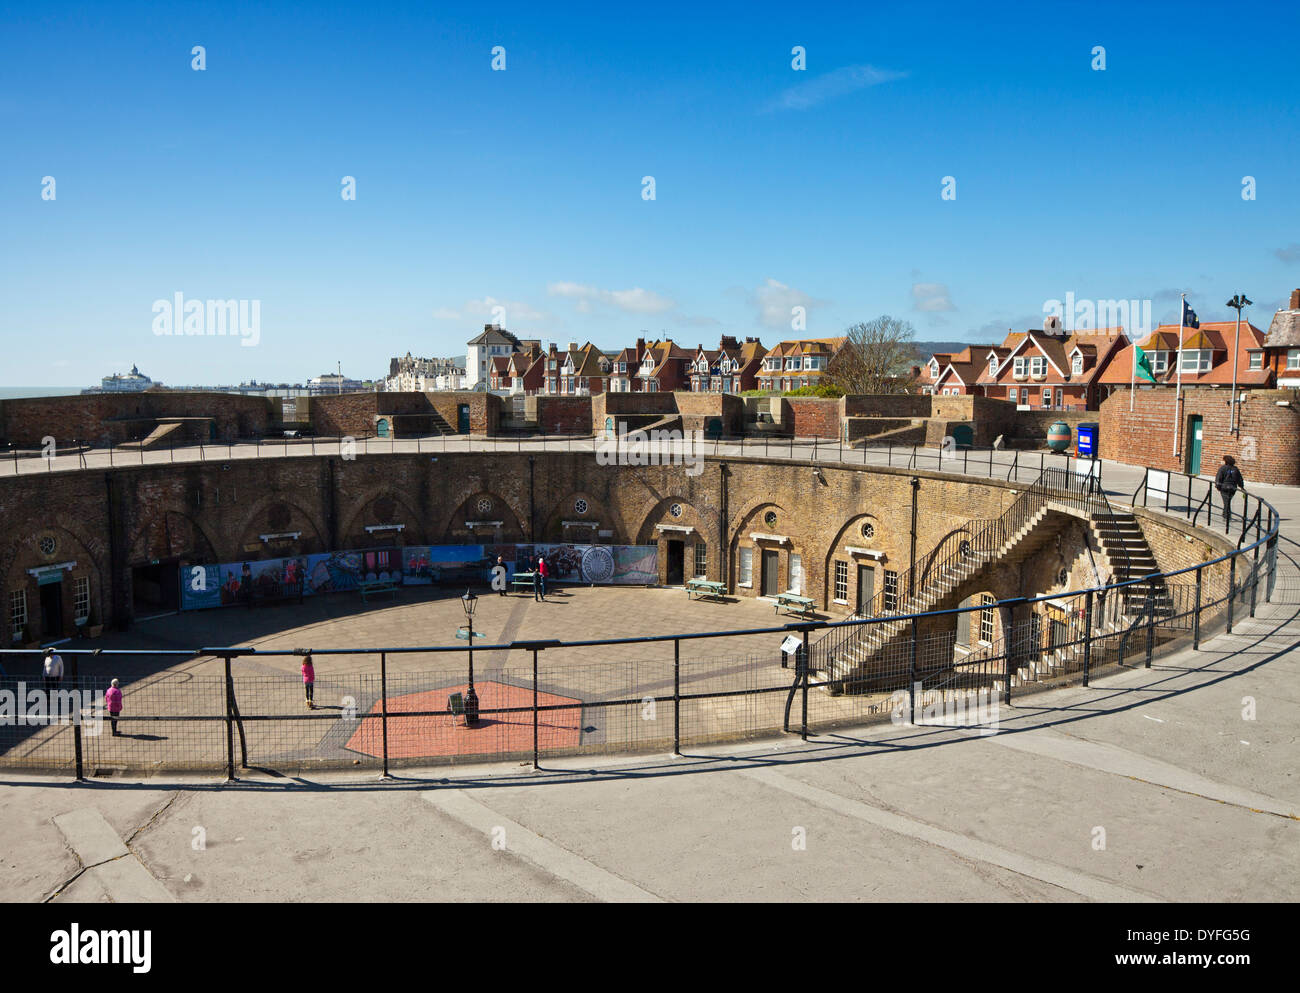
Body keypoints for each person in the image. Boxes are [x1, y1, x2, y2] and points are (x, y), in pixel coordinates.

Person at [1214, 455, 1245, 534]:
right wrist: (1241, 487)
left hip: (1224, 488)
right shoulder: (1235, 469)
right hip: (1232, 488)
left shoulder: (1222, 468)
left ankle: (1226, 515)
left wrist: (1218, 486)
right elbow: (1240, 479)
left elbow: (1219, 478)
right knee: (1227, 501)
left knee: (1226, 502)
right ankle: (1226, 514)